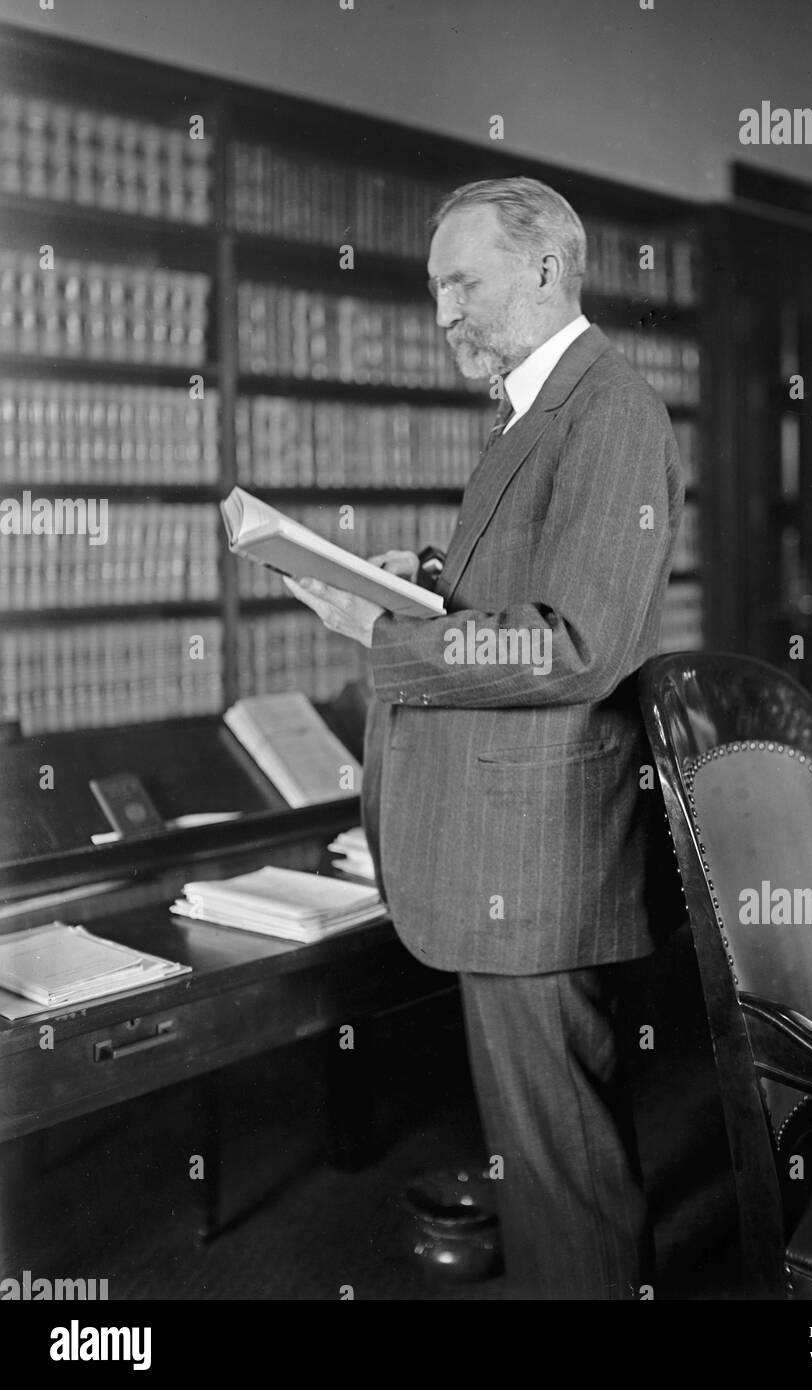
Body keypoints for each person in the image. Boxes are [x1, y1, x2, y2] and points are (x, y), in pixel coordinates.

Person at [285, 176, 685, 1300]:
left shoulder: (607, 412)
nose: (443, 313)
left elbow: (576, 644)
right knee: (549, 1166)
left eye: (461, 282)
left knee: (564, 1178)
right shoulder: (533, 412)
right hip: (505, 848)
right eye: (433, 289)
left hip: (536, 857)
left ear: (547, 269)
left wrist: (391, 638)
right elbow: (525, 606)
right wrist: (421, 596)